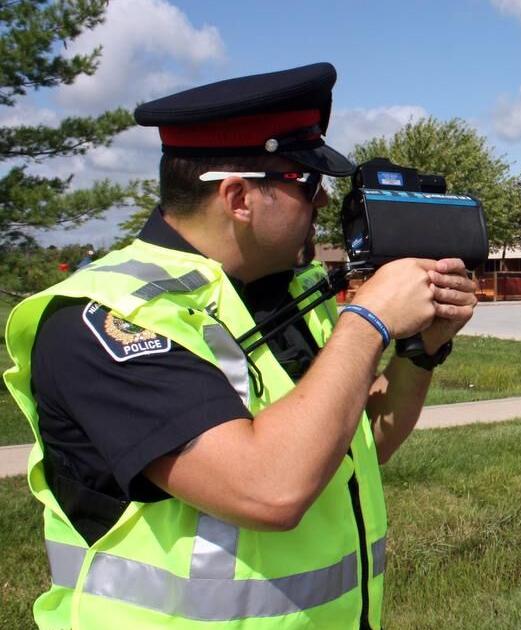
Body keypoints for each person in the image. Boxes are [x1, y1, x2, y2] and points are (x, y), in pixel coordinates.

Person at [3, 62, 477, 628]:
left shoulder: (284, 296)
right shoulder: (105, 319)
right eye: (307, 182)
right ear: (238, 197)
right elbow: (269, 490)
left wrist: (420, 352)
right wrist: (367, 321)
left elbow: (354, 446)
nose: (324, 203)